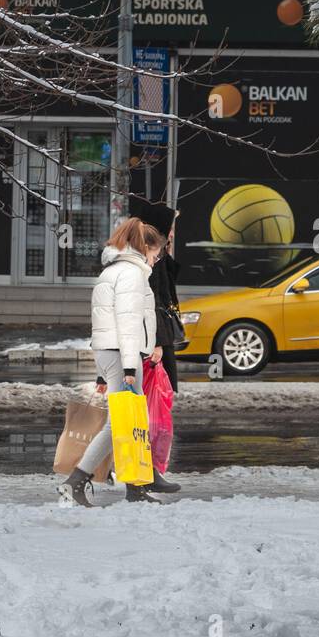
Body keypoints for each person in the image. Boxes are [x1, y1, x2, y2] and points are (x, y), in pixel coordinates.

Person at [58, 217, 164, 507]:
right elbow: (127, 324)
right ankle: (78, 481)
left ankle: (134, 486)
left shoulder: (113, 271)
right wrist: (130, 367)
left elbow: (102, 323)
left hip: (111, 353)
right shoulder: (131, 275)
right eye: (156, 253)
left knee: (126, 423)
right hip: (122, 355)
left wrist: (103, 373)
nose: (157, 259)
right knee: (124, 423)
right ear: (145, 248)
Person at [141, 202, 183, 493]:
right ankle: (147, 471)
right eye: (170, 226)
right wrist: (156, 343)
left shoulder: (160, 258)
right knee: (150, 412)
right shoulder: (151, 262)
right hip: (155, 342)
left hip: (160, 338)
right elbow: (151, 301)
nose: (173, 232)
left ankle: (146, 471)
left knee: (154, 409)